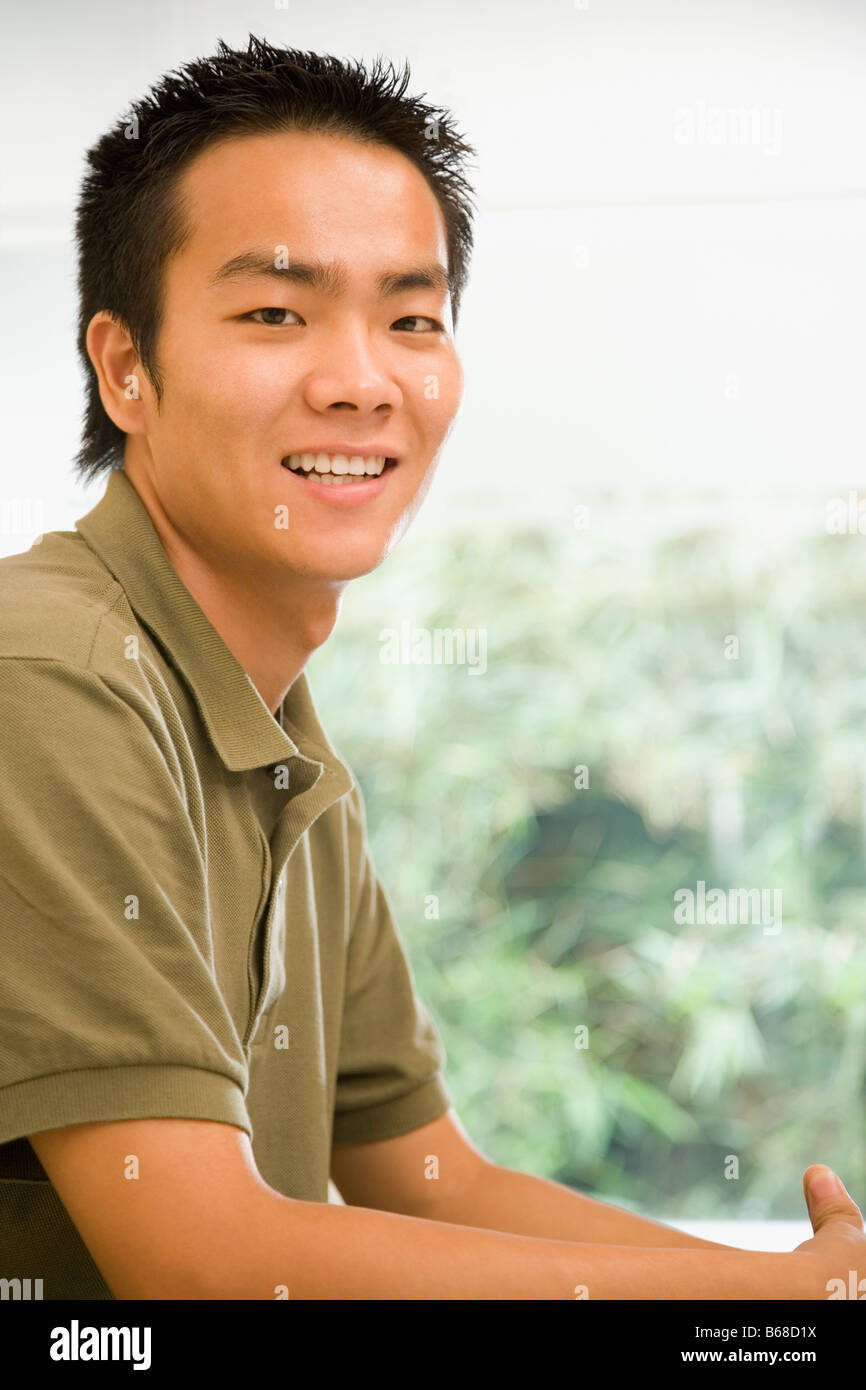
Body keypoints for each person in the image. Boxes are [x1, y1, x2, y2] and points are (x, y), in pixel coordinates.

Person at [0, 35, 860, 1300]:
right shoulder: (51, 673)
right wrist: (767, 1305)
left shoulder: (276, 733)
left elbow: (428, 1174)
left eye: (411, 317)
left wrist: (820, 1282)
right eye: (275, 313)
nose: (361, 380)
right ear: (126, 366)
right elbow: (200, 1259)